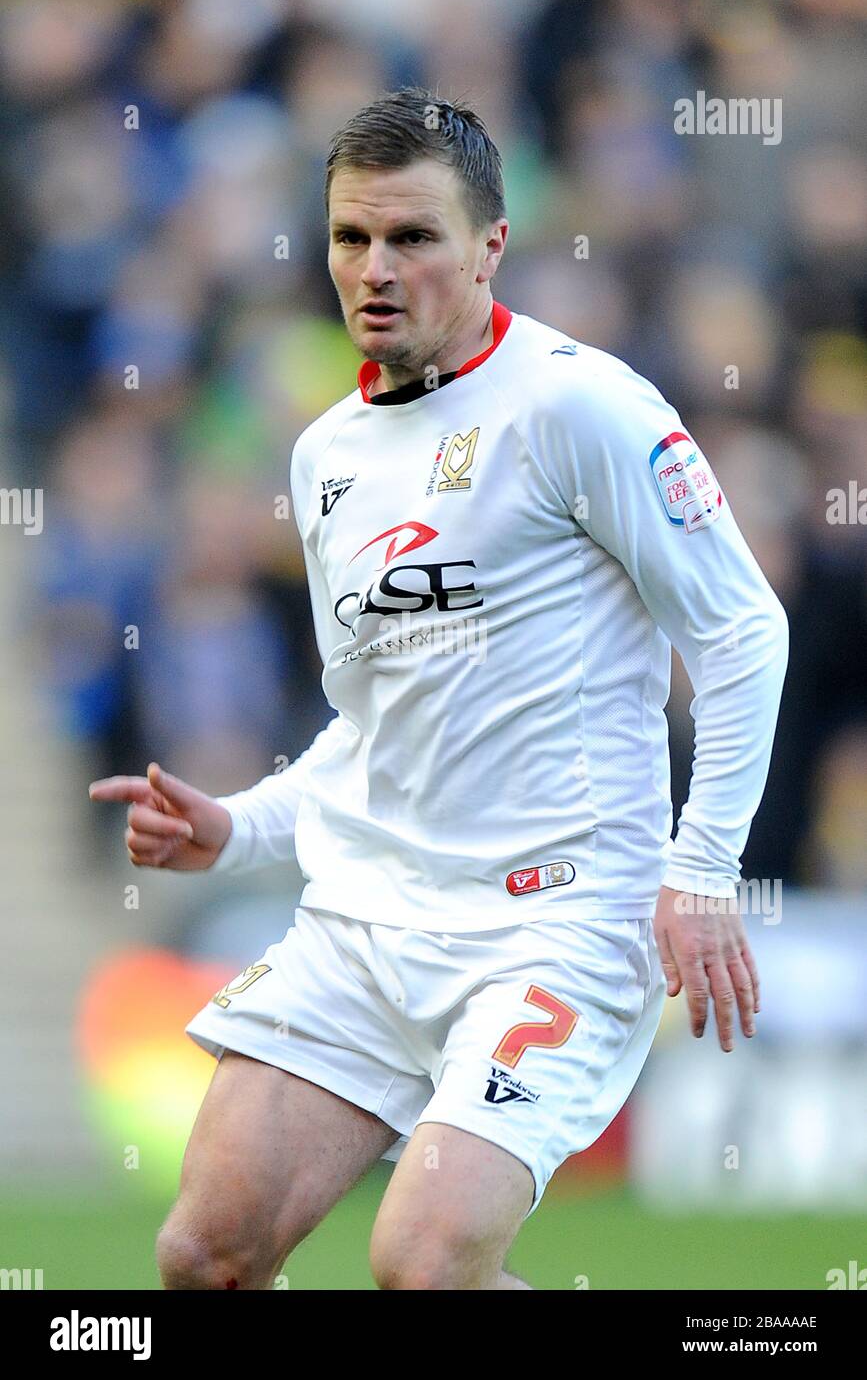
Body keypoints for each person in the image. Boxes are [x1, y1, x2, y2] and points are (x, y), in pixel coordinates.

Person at [89, 87, 788, 1291]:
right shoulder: (323, 462)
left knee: (424, 1267)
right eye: (352, 237)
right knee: (203, 1257)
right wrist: (240, 826)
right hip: (364, 922)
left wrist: (703, 865)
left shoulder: (582, 407)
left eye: (414, 237)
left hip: (554, 919)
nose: (376, 267)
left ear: (490, 246)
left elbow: (743, 634)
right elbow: (368, 728)